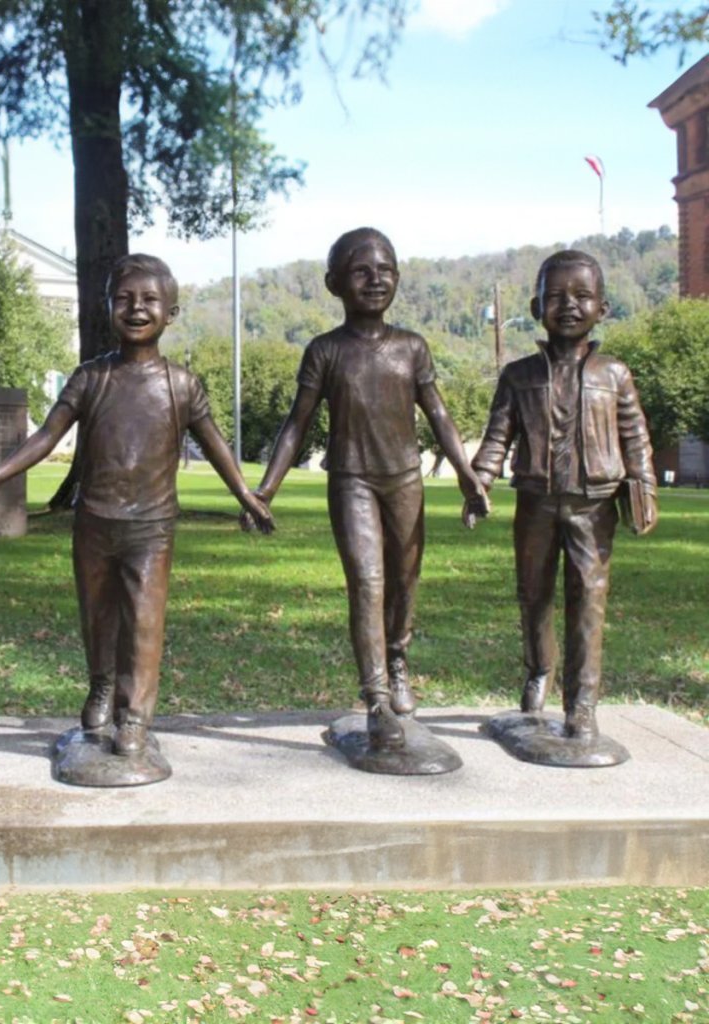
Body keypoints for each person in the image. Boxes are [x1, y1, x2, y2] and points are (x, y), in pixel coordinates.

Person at [0, 254, 273, 756]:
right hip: (94, 523)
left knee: (145, 622)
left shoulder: (182, 385)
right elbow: (47, 435)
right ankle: (102, 688)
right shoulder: (90, 378)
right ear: (108, 306)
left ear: (171, 312)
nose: (136, 309)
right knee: (98, 617)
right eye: (125, 299)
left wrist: (246, 494)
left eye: (150, 300)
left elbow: (217, 446)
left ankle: (135, 716)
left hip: (151, 529)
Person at [245, 227, 488, 749]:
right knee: (368, 582)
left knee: (403, 582)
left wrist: (467, 475)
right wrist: (265, 489)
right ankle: (376, 694)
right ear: (334, 283)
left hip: (404, 479)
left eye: (386, 270)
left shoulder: (411, 347)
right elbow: (297, 423)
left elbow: (439, 413)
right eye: (361, 271)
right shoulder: (325, 351)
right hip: (351, 479)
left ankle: (398, 660)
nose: (376, 280)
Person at [472, 249, 656, 742]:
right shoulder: (519, 375)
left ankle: (583, 704)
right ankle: (538, 670)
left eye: (582, 296)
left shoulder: (614, 375)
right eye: (555, 296)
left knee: (588, 601)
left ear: (604, 307)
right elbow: (496, 436)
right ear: (536, 308)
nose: (569, 305)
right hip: (535, 502)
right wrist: (480, 480)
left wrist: (644, 485)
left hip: (594, 506)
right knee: (533, 594)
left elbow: (635, 435)